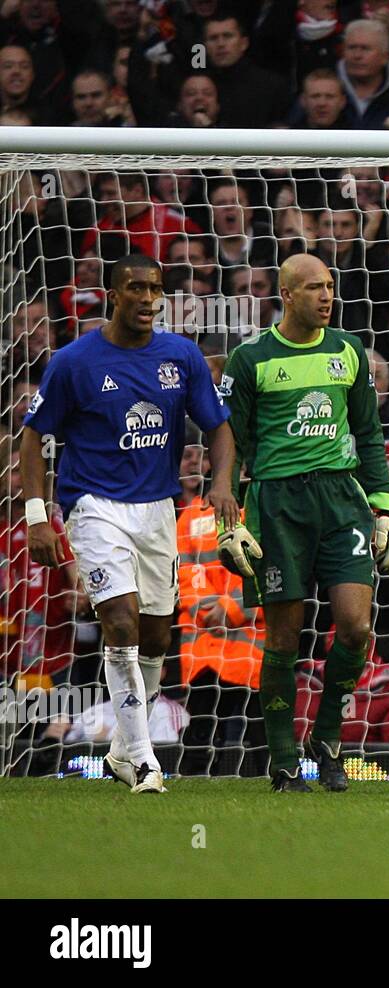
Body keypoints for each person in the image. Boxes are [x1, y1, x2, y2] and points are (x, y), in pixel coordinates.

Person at [20, 253, 237, 794]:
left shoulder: (181, 357)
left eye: (155, 289)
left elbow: (220, 427)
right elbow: (32, 436)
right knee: (119, 621)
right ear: (114, 296)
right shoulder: (74, 361)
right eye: (136, 288)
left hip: (158, 508)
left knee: (157, 634)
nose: (147, 298)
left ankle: (121, 749)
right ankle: (143, 760)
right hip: (93, 505)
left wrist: (222, 483)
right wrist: (37, 517)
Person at [220, 253, 389, 793]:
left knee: (356, 626)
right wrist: (231, 511)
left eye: (330, 286)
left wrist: (385, 506)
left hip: (341, 499)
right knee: (283, 638)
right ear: (287, 295)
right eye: (314, 288)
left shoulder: (348, 351)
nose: (326, 297)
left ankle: (327, 743)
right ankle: (282, 759)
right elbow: (230, 437)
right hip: (276, 504)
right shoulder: (250, 358)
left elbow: (368, 432)